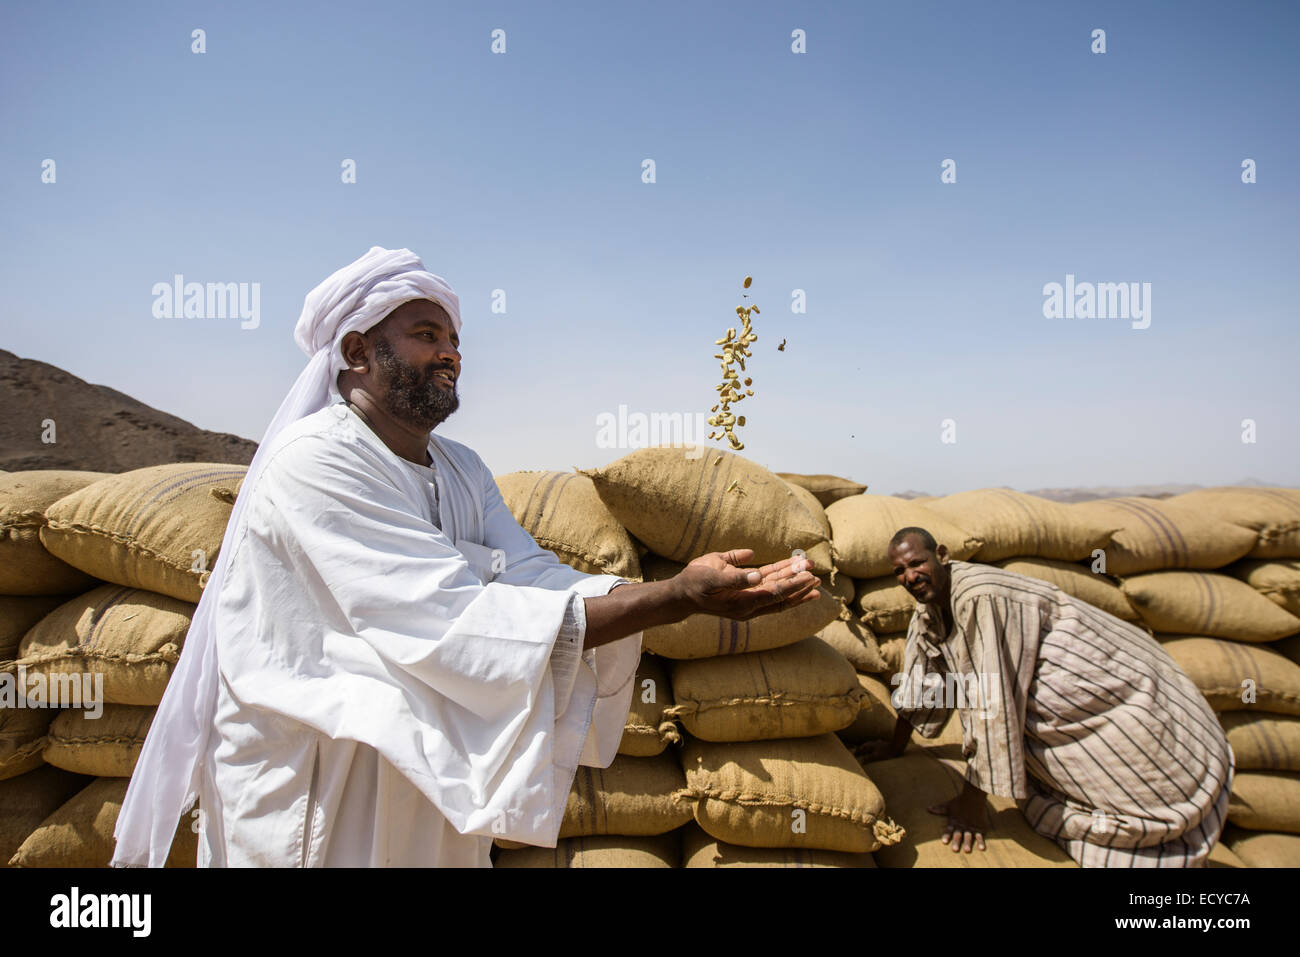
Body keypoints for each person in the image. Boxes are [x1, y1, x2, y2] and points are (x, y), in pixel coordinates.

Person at [112, 246, 821, 867]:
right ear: (358, 351)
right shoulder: (316, 464)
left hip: (427, 778)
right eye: (427, 335)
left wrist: (671, 588)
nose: (451, 352)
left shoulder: (463, 469)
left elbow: (534, 575)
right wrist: (676, 600)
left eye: (454, 338)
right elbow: (452, 616)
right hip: (323, 789)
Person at [858, 526, 1234, 867]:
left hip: (1113, 694)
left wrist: (972, 804)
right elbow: (923, 680)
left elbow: (993, 705)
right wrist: (896, 746)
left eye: (916, 563)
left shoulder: (978, 596)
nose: (909, 576)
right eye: (899, 571)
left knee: (1138, 799)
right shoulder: (929, 611)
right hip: (1067, 696)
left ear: (941, 554)